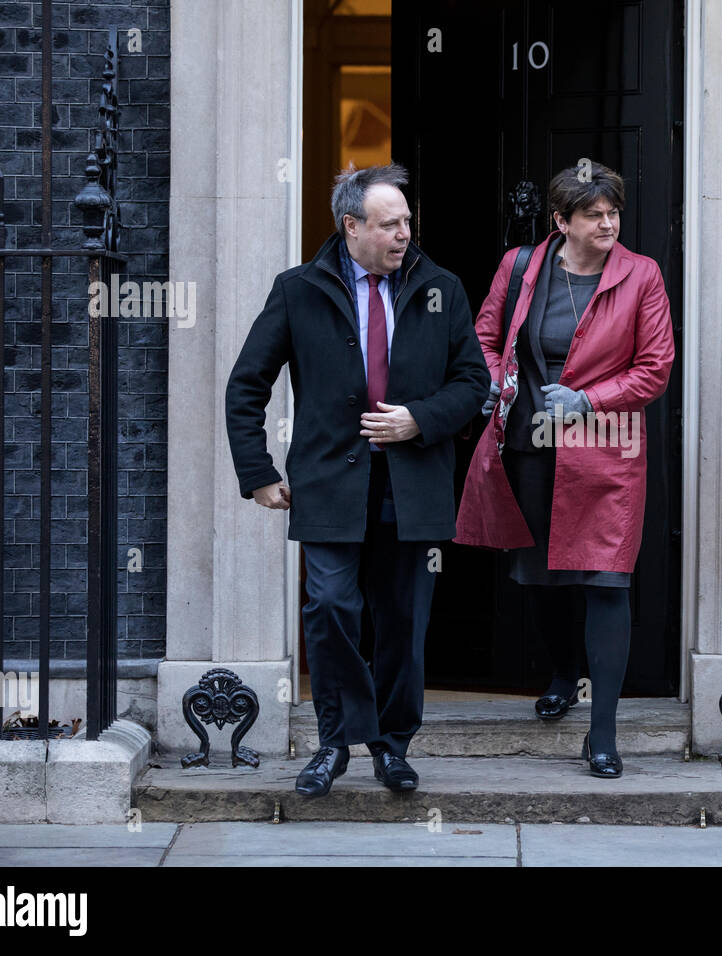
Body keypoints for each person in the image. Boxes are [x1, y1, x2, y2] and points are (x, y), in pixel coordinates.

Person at [225, 163, 489, 797]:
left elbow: (474, 385)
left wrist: (417, 419)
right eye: (389, 224)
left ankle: (392, 747)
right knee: (331, 609)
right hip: (328, 484)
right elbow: (246, 386)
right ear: (351, 227)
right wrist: (258, 474)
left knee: (402, 620)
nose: (404, 234)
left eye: (406, 221)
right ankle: (335, 743)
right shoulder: (298, 290)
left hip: (412, 484)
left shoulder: (442, 288)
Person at [454, 160, 674, 778]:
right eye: (593, 215)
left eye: (613, 213)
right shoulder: (520, 267)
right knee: (542, 575)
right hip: (530, 442)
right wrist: (498, 384)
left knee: (606, 580)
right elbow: (487, 336)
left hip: (609, 452)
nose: (608, 224)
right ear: (561, 221)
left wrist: (590, 400)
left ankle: (602, 733)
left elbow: (655, 366)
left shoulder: (641, 275)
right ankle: (562, 673)